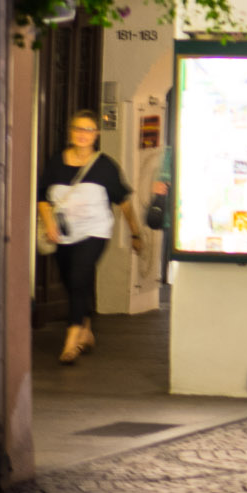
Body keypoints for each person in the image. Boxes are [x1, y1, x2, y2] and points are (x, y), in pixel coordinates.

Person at [38, 109, 143, 364]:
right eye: (78, 129)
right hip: (63, 233)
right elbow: (42, 196)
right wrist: (49, 222)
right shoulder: (56, 162)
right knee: (70, 280)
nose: (82, 134)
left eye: (88, 130)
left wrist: (136, 232)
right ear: (70, 132)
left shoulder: (104, 166)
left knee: (79, 275)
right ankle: (85, 327)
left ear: (95, 134)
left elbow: (124, 202)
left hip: (95, 231)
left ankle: (71, 340)